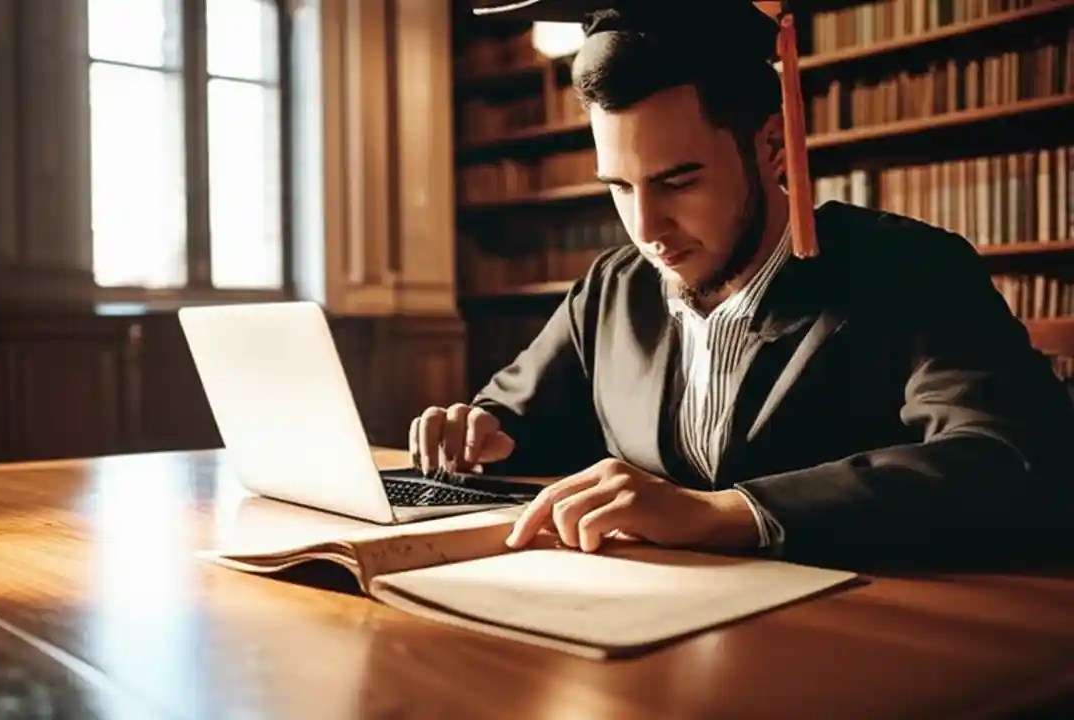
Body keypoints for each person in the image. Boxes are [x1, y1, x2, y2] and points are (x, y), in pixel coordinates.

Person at [410, 1, 1074, 567]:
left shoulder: (909, 269)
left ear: (774, 145)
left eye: (678, 182)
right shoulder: (614, 288)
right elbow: (521, 413)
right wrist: (483, 429)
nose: (647, 228)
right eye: (619, 187)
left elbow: (1007, 458)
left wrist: (726, 514)